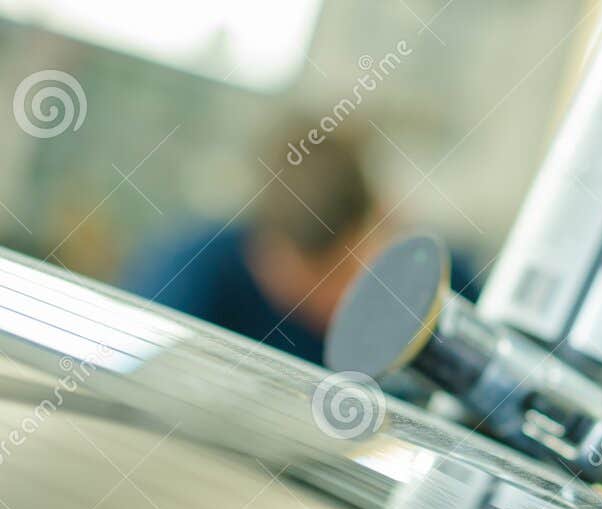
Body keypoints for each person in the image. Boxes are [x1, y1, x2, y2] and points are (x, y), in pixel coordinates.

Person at [121, 119, 478, 366]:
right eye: (307, 285)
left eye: (346, 273)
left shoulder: (439, 289)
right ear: (261, 248)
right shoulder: (189, 277)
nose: (332, 304)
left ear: (384, 217)